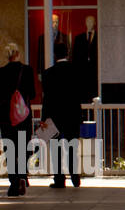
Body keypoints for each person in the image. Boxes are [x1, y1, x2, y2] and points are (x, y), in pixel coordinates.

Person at [41, 42, 82, 189]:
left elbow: (46, 99)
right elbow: (80, 93)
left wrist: (44, 118)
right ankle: (75, 177)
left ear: (55, 55)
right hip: (72, 115)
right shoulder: (76, 71)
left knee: (55, 148)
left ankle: (59, 179)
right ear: (67, 53)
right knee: (72, 146)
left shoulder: (48, 73)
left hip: (55, 116)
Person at [0, 43, 35, 197]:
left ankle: (13, 182)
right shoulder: (27, 70)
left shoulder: (1, 72)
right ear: (18, 54)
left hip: (6, 118)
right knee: (23, 148)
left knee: (10, 149)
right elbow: (33, 93)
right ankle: (22, 175)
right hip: (23, 117)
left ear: (7, 56)